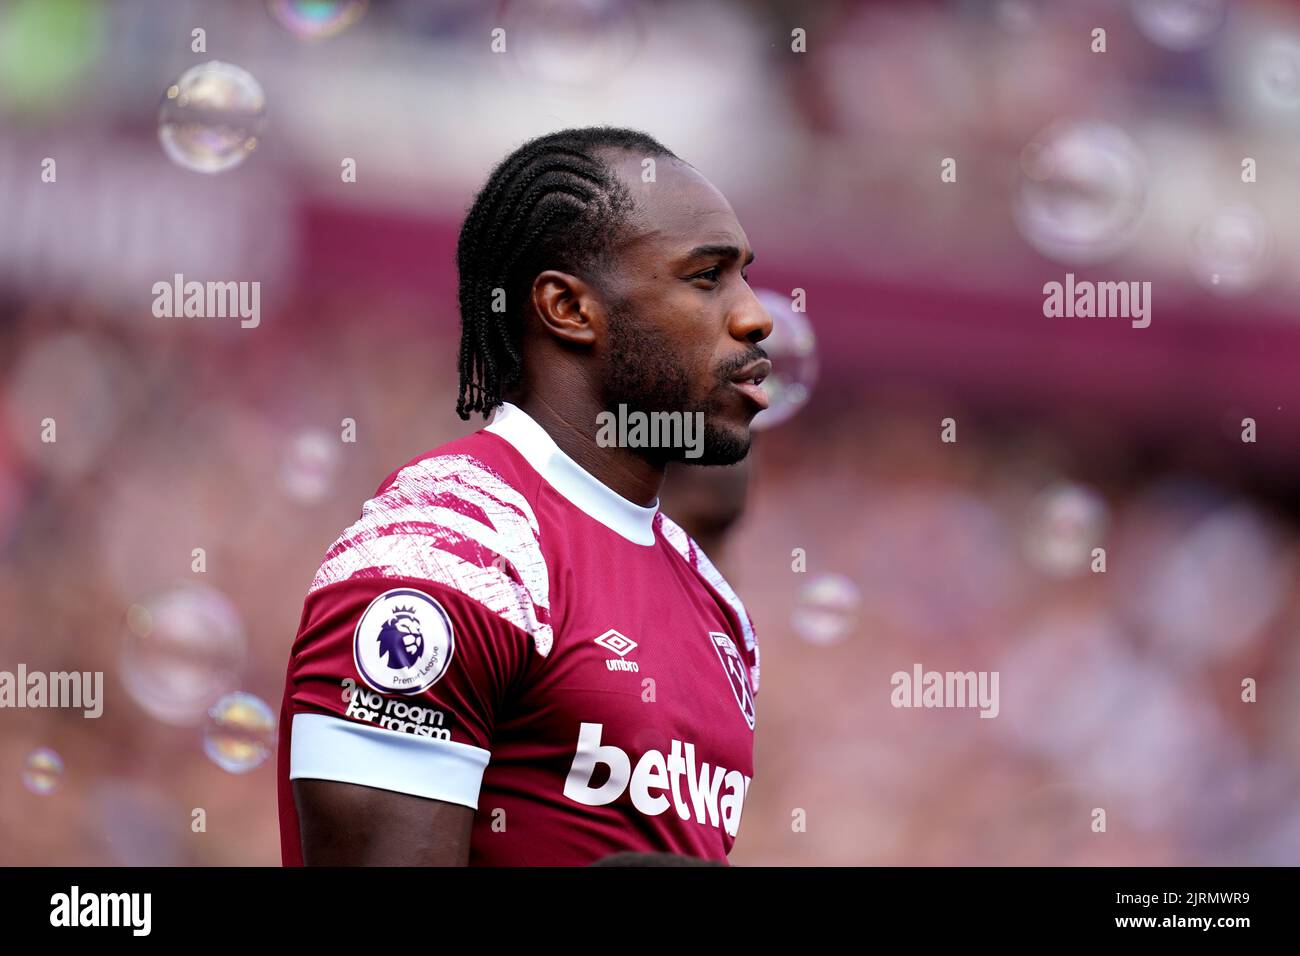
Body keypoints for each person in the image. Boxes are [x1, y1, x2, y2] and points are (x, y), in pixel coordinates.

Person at [276, 126, 771, 865]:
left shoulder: (717, 606)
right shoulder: (452, 545)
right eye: (706, 277)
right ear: (568, 308)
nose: (755, 315)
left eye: (744, 276)